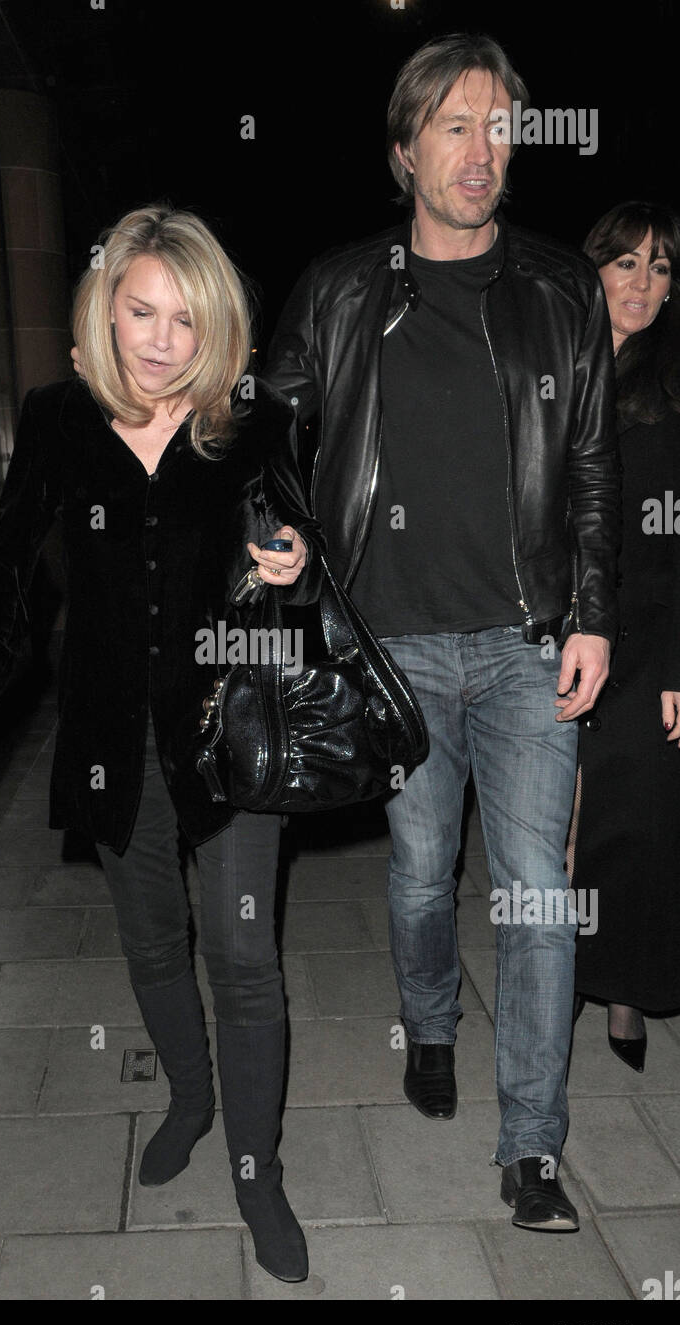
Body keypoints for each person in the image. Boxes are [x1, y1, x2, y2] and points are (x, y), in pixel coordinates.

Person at [264, 33, 620, 1231]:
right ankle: (426, 1023)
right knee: (420, 873)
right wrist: (282, 537)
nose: (481, 150)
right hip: (395, 649)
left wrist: (595, 619)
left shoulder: (558, 290)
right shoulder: (340, 288)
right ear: (405, 147)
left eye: (500, 124)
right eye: (455, 125)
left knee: (531, 892)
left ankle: (529, 1148)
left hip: (527, 647)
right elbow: (270, 437)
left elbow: (588, 466)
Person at [0, 205, 324, 1283]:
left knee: (243, 958)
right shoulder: (58, 419)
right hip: (112, 736)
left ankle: (256, 1170)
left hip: (228, 733)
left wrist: (288, 558)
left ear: (217, 333)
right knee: (154, 945)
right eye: (140, 310)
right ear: (104, 310)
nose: (161, 340)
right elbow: (12, 567)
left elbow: (295, 536)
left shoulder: (246, 422)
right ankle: (191, 1098)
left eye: (185, 321)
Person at [570, 202, 680, 1068]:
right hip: (549, 626)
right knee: (553, 824)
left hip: (646, 636)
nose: (642, 283)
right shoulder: (554, 368)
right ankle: (557, 978)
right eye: (626, 263)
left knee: (632, 824)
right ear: (594, 268)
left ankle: (624, 992)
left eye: (660, 267)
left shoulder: (671, 384)